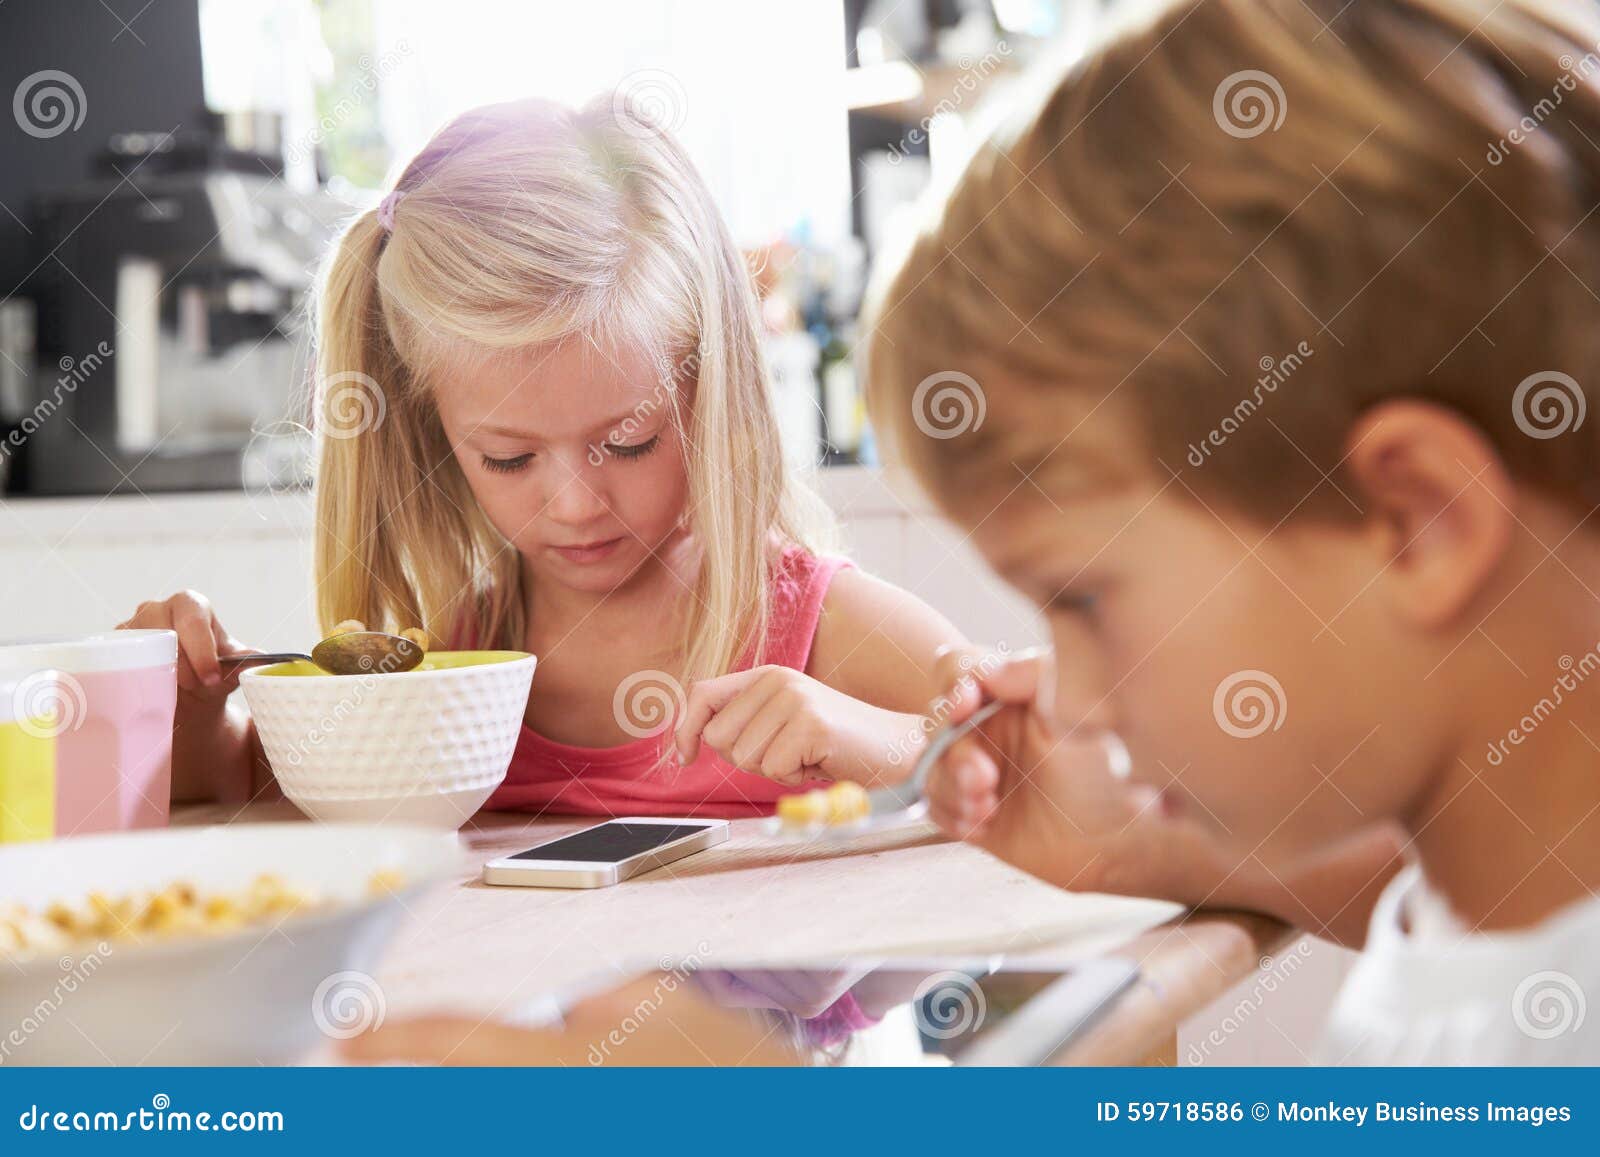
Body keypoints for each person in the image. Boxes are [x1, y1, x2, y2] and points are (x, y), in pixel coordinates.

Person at [866, 0, 1600, 1063]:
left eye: (1084, 598)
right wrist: (1137, 841)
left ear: (1416, 524)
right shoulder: (1486, 916)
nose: (1071, 700)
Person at [120, 95, 963, 818]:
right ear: (434, 435)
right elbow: (233, 788)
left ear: (710, 393)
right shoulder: (451, 655)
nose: (574, 503)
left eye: (627, 442)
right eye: (509, 459)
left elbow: (1021, 750)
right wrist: (186, 704)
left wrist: (879, 741)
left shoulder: (811, 625)